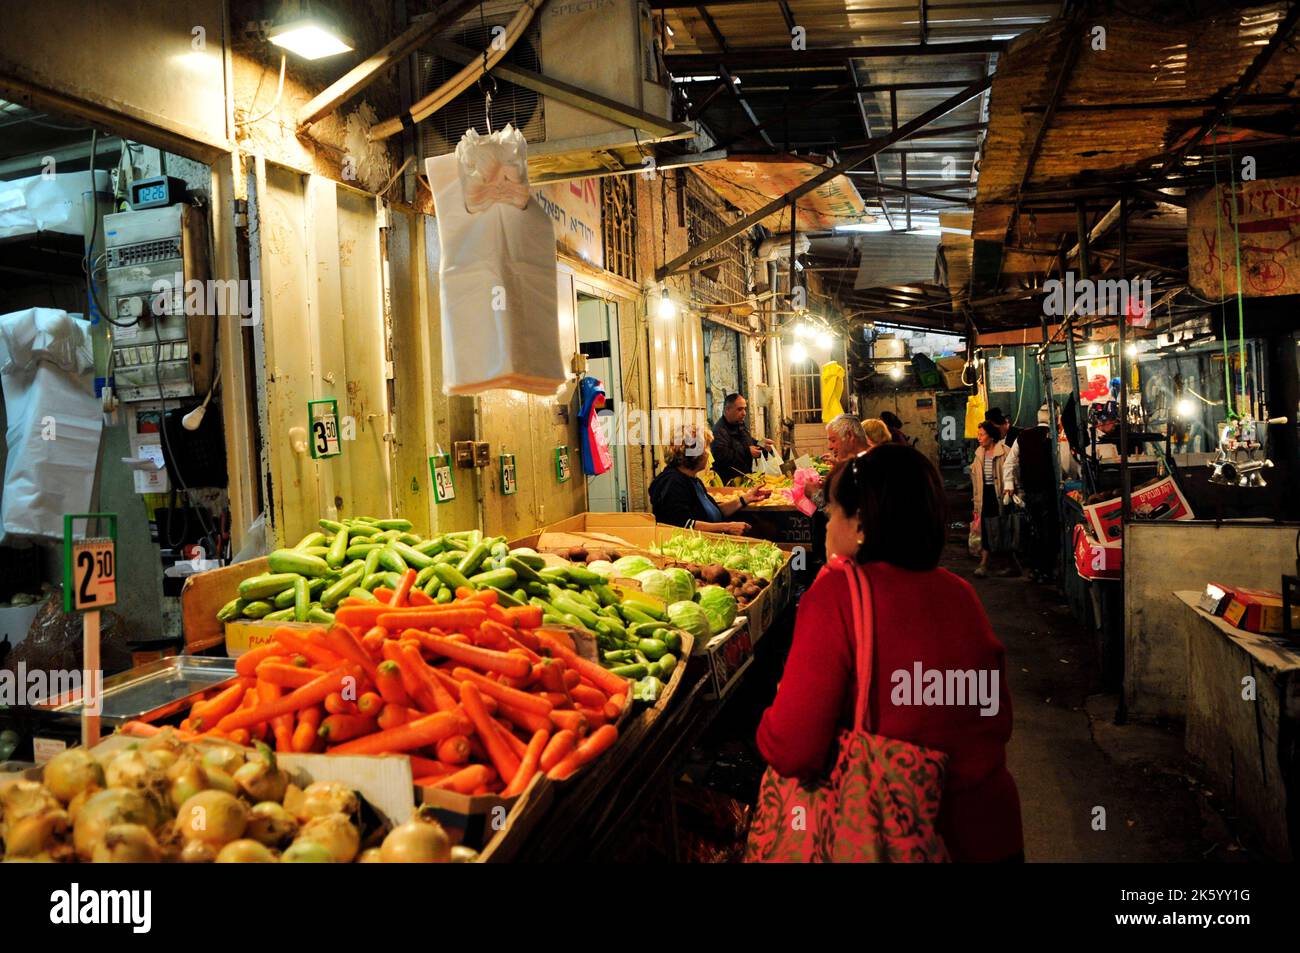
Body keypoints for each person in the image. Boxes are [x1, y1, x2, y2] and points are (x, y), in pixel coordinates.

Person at [756, 445, 1023, 863]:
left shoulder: (837, 594)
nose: (826, 529)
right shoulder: (961, 594)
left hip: (893, 836)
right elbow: (993, 717)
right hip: (988, 829)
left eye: (831, 517)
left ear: (859, 522)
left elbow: (794, 749)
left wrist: (768, 724)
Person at [649, 424, 770, 534]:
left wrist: (745, 499)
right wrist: (727, 527)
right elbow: (682, 524)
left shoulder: (693, 480)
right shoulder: (672, 483)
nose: (708, 453)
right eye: (706, 448)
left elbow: (714, 512)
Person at [1003, 404, 1059, 583]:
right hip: (1048, 492)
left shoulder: (1023, 436)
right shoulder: (1054, 438)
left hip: (1029, 491)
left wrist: (1009, 484)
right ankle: (1046, 572)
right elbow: (1065, 465)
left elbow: (1009, 463)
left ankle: (1035, 570)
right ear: (1055, 418)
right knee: (1047, 532)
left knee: (1034, 531)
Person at [971, 421, 1018, 578]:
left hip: (1001, 495)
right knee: (986, 527)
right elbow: (976, 481)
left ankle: (1011, 564)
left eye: (982, 434)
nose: (979, 438)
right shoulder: (979, 453)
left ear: (991, 436)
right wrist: (976, 503)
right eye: (978, 434)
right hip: (986, 495)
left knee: (1003, 527)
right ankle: (984, 563)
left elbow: (1015, 474)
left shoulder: (1005, 452)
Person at [711, 393, 774, 484]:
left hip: (745, 479)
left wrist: (762, 444)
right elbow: (722, 456)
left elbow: (749, 442)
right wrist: (747, 452)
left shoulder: (738, 424)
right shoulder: (718, 431)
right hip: (729, 484)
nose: (744, 413)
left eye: (745, 409)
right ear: (727, 409)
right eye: (740, 409)